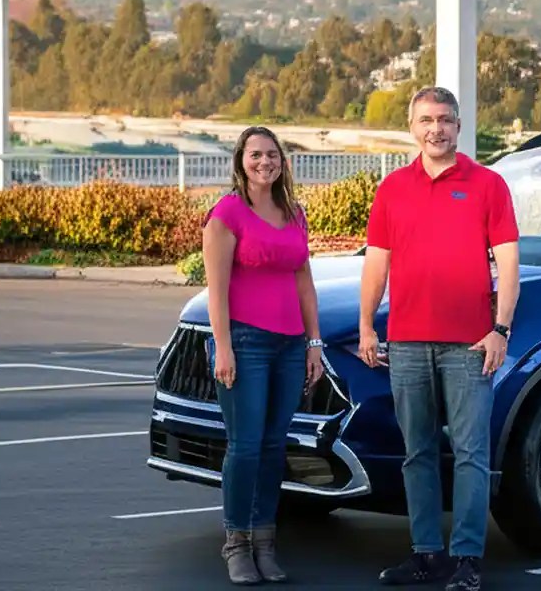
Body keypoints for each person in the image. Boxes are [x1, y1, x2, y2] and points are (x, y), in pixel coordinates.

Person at [358, 86, 520, 590]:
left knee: (471, 453)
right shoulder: (392, 189)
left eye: (446, 120)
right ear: (413, 127)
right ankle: (426, 553)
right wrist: (367, 324)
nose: (437, 129)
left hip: (471, 345)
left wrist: (500, 329)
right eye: (427, 120)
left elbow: (510, 264)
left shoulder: (488, 185)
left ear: (458, 126)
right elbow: (376, 263)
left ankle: (467, 558)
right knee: (418, 453)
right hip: (406, 342)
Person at [202, 125, 324, 585]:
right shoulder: (227, 215)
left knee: (274, 448)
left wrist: (313, 343)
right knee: (246, 447)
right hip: (246, 344)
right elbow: (216, 291)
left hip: (290, 345)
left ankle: (265, 542)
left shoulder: (294, 213)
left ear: (282, 161)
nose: (264, 162)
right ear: (241, 161)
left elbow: (303, 282)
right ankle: (236, 543)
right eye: (255, 155)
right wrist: (225, 348)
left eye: (272, 154)